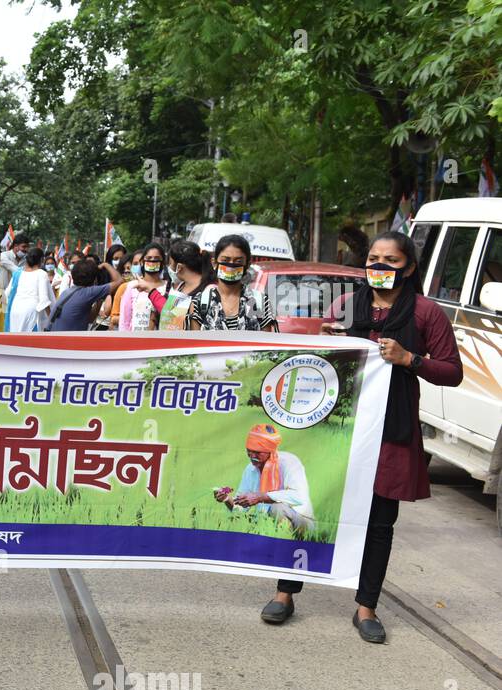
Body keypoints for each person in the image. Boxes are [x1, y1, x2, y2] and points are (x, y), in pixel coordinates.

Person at [259, 230, 463, 643]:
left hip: (391, 429)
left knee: (380, 522)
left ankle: (366, 606)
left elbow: (452, 371)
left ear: (409, 268)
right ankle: (285, 591)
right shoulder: (348, 306)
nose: (380, 267)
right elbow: (323, 361)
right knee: (307, 505)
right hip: (338, 427)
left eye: (390, 260)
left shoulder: (426, 313)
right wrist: (328, 344)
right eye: (374, 259)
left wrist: (410, 359)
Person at [214, 424, 314, 534]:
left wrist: (261, 497)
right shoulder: (250, 469)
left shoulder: (289, 463)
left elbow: (299, 497)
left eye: (257, 452)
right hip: (267, 520)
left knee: (277, 509)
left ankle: (284, 546)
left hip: (301, 522)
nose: (252, 456)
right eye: (249, 450)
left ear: (270, 450)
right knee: (238, 521)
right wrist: (227, 499)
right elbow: (240, 509)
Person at [187, 234, 276, 331]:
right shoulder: (200, 303)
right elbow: (195, 343)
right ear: (214, 263)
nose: (231, 265)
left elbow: (265, 344)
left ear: (247, 264)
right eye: (225, 260)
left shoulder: (259, 302)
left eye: (238, 261)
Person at [49, 258, 125, 332]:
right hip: (68, 341)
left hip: (55, 337)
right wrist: (106, 265)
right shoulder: (88, 292)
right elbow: (120, 281)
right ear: (94, 279)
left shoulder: (67, 292)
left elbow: (89, 319)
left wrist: (100, 299)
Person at [117, 242, 167, 331]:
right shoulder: (133, 286)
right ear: (142, 262)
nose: (152, 261)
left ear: (163, 262)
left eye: (157, 258)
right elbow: (124, 322)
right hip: (135, 342)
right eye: (149, 258)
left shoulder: (168, 287)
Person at [5, 246, 54, 332]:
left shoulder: (17, 273)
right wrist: (52, 319)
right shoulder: (41, 274)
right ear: (41, 260)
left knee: (16, 340)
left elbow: (6, 294)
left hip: (15, 310)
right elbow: (44, 300)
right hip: (31, 312)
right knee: (30, 341)